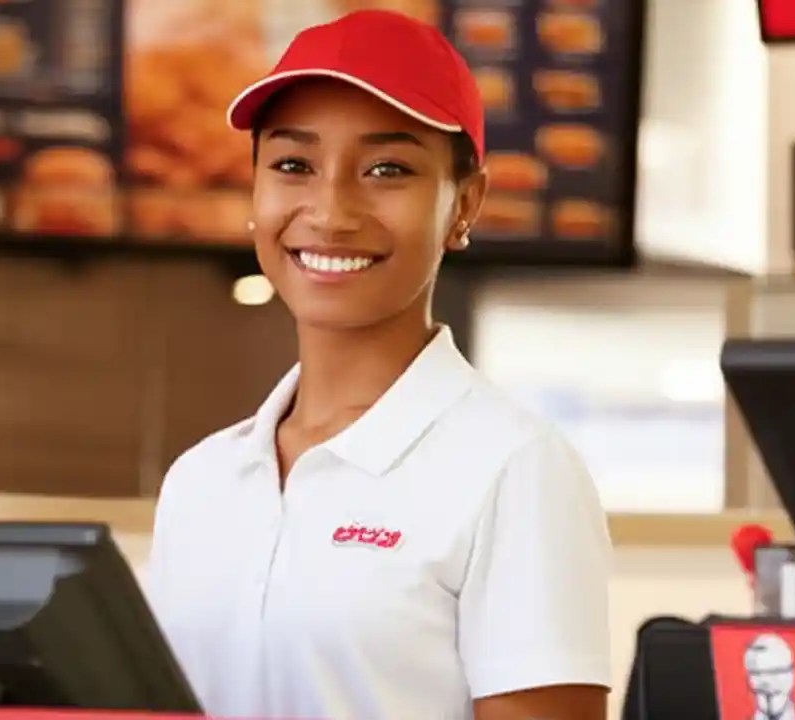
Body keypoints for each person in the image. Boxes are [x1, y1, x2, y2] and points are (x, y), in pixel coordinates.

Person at [145, 10, 612, 720]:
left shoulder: (516, 470)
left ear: (464, 205)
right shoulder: (200, 483)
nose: (331, 211)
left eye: (387, 170)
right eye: (293, 165)